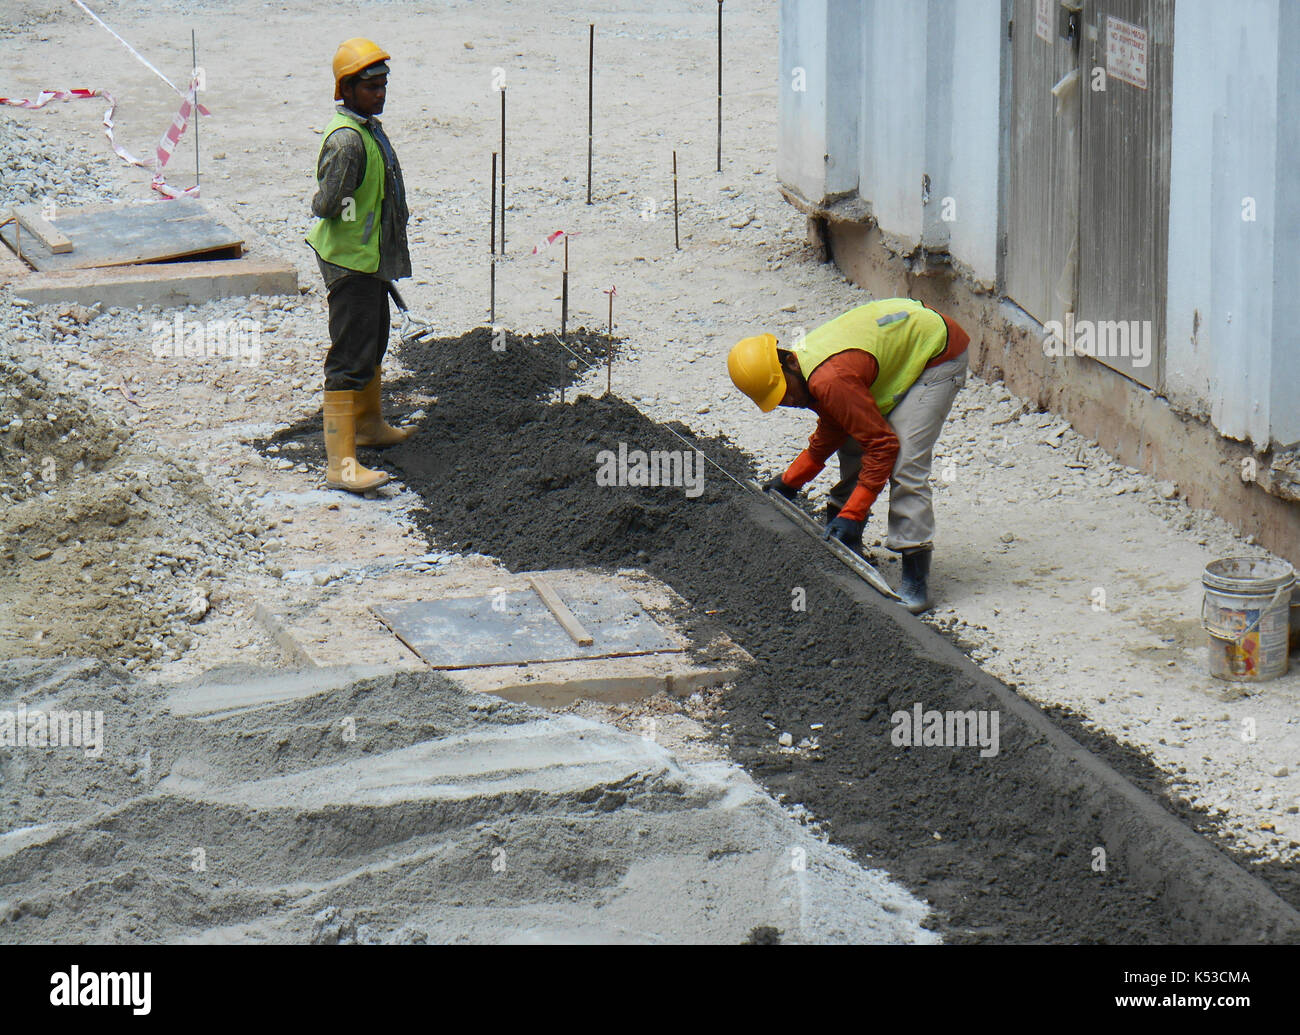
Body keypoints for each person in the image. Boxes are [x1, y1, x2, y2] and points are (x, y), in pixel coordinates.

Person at [727, 297, 969, 613]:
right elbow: (834, 424)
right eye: (778, 400)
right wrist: (790, 481)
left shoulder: (829, 378)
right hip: (895, 346)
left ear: (787, 362)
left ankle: (915, 580)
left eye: (784, 392)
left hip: (937, 353)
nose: (788, 401)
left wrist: (853, 515)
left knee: (906, 461)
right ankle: (845, 537)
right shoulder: (806, 372)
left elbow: (883, 446)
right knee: (855, 435)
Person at [306, 37, 414, 494]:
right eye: (370, 86)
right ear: (345, 89)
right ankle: (341, 463)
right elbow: (328, 204)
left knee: (374, 343)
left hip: (370, 260)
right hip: (351, 264)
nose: (379, 93)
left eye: (383, 84)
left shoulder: (369, 129)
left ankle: (369, 426)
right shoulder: (349, 140)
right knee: (350, 357)